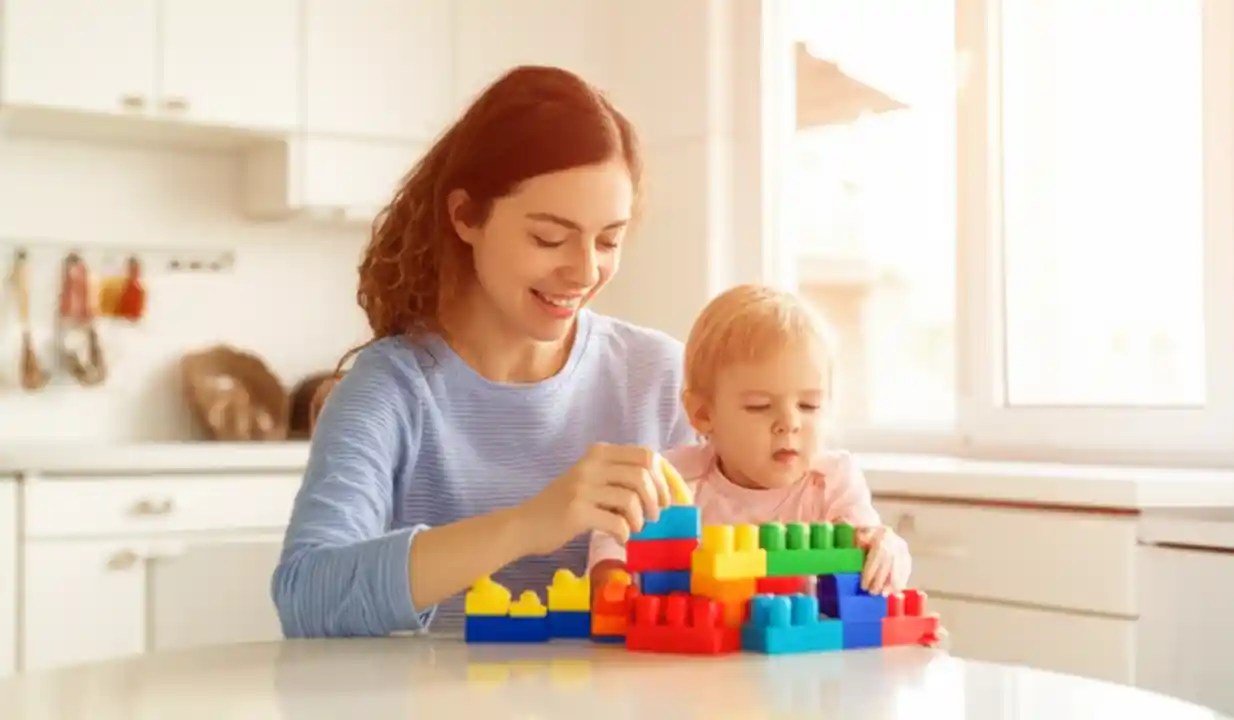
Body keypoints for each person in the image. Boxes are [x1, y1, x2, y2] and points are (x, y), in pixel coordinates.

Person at [271, 65, 695, 638]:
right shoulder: (392, 389)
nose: (585, 270)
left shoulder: (660, 378)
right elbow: (307, 595)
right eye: (549, 237)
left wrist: (854, 539)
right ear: (466, 216)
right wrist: (529, 524)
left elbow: (753, 536)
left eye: (608, 240)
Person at [587, 284, 913, 595]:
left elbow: (871, 548)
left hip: (805, 650)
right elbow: (613, 529)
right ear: (703, 414)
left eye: (809, 405)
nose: (789, 423)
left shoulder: (831, 482)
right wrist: (611, 570)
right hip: (699, 648)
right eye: (760, 406)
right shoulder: (676, 481)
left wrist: (886, 549)